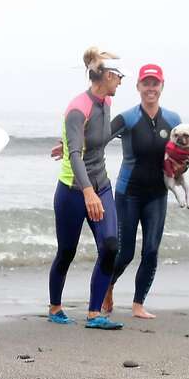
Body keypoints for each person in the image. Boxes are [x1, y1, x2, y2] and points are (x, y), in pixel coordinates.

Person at [48, 47, 125, 330]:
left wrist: (68, 140)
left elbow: (92, 140)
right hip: (73, 190)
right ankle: (55, 306)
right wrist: (87, 191)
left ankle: (95, 314)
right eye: (119, 76)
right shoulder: (78, 107)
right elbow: (75, 155)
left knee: (110, 246)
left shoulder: (106, 102)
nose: (121, 81)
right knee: (66, 251)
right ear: (105, 75)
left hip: (101, 184)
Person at [104, 63, 183, 320]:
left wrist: (184, 168)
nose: (151, 88)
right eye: (146, 83)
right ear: (138, 86)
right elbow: (98, 139)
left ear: (161, 86)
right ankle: (108, 285)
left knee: (150, 250)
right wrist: (71, 145)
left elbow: (180, 153)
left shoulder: (173, 120)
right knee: (125, 252)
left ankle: (138, 304)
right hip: (129, 193)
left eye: (155, 83)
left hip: (157, 194)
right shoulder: (128, 118)